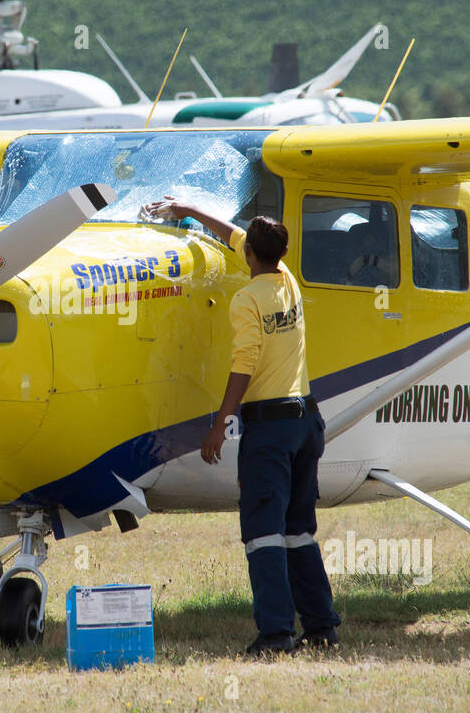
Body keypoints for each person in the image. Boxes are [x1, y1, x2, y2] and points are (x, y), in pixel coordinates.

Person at [143, 196, 341, 656]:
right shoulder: (287, 280)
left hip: (270, 429)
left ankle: (276, 634)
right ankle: (321, 627)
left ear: (250, 254)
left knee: (263, 533)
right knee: (298, 530)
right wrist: (188, 209)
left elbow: (243, 364)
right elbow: (234, 235)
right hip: (306, 422)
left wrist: (219, 424)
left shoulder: (246, 299)